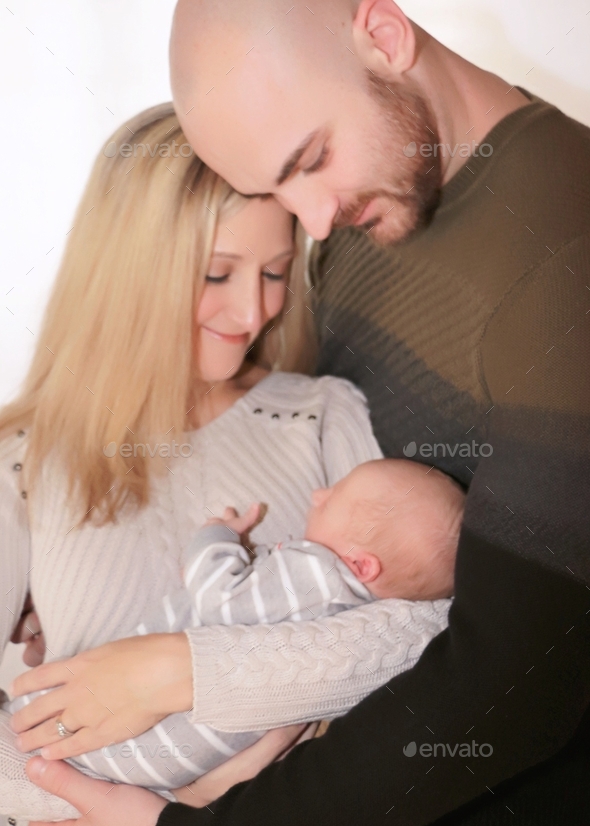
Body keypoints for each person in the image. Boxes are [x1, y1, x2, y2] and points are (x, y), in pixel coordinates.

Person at [11, 0, 590, 824]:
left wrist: (189, 726)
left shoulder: (567, 251)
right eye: (277, 188)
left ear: (385, 37)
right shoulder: (364, 202)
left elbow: (511, 690)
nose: (313, 222)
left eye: (310, 159)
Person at [0, 100, 450, 822]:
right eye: (217, 274)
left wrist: (176, 673)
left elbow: (422, 633)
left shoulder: (320, 414)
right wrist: (157, 807)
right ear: (126, 272)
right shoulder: (23, 461)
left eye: (275, 273)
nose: (253, 312)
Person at [6, 458, 459, 816]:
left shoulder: (314, 571)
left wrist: (215, 539)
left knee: (32, 740)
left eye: (334, 497)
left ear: (362, 565)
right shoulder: (358, 609)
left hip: (113, 743)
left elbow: (219, 600)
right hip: (159, 767)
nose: (319, 494)